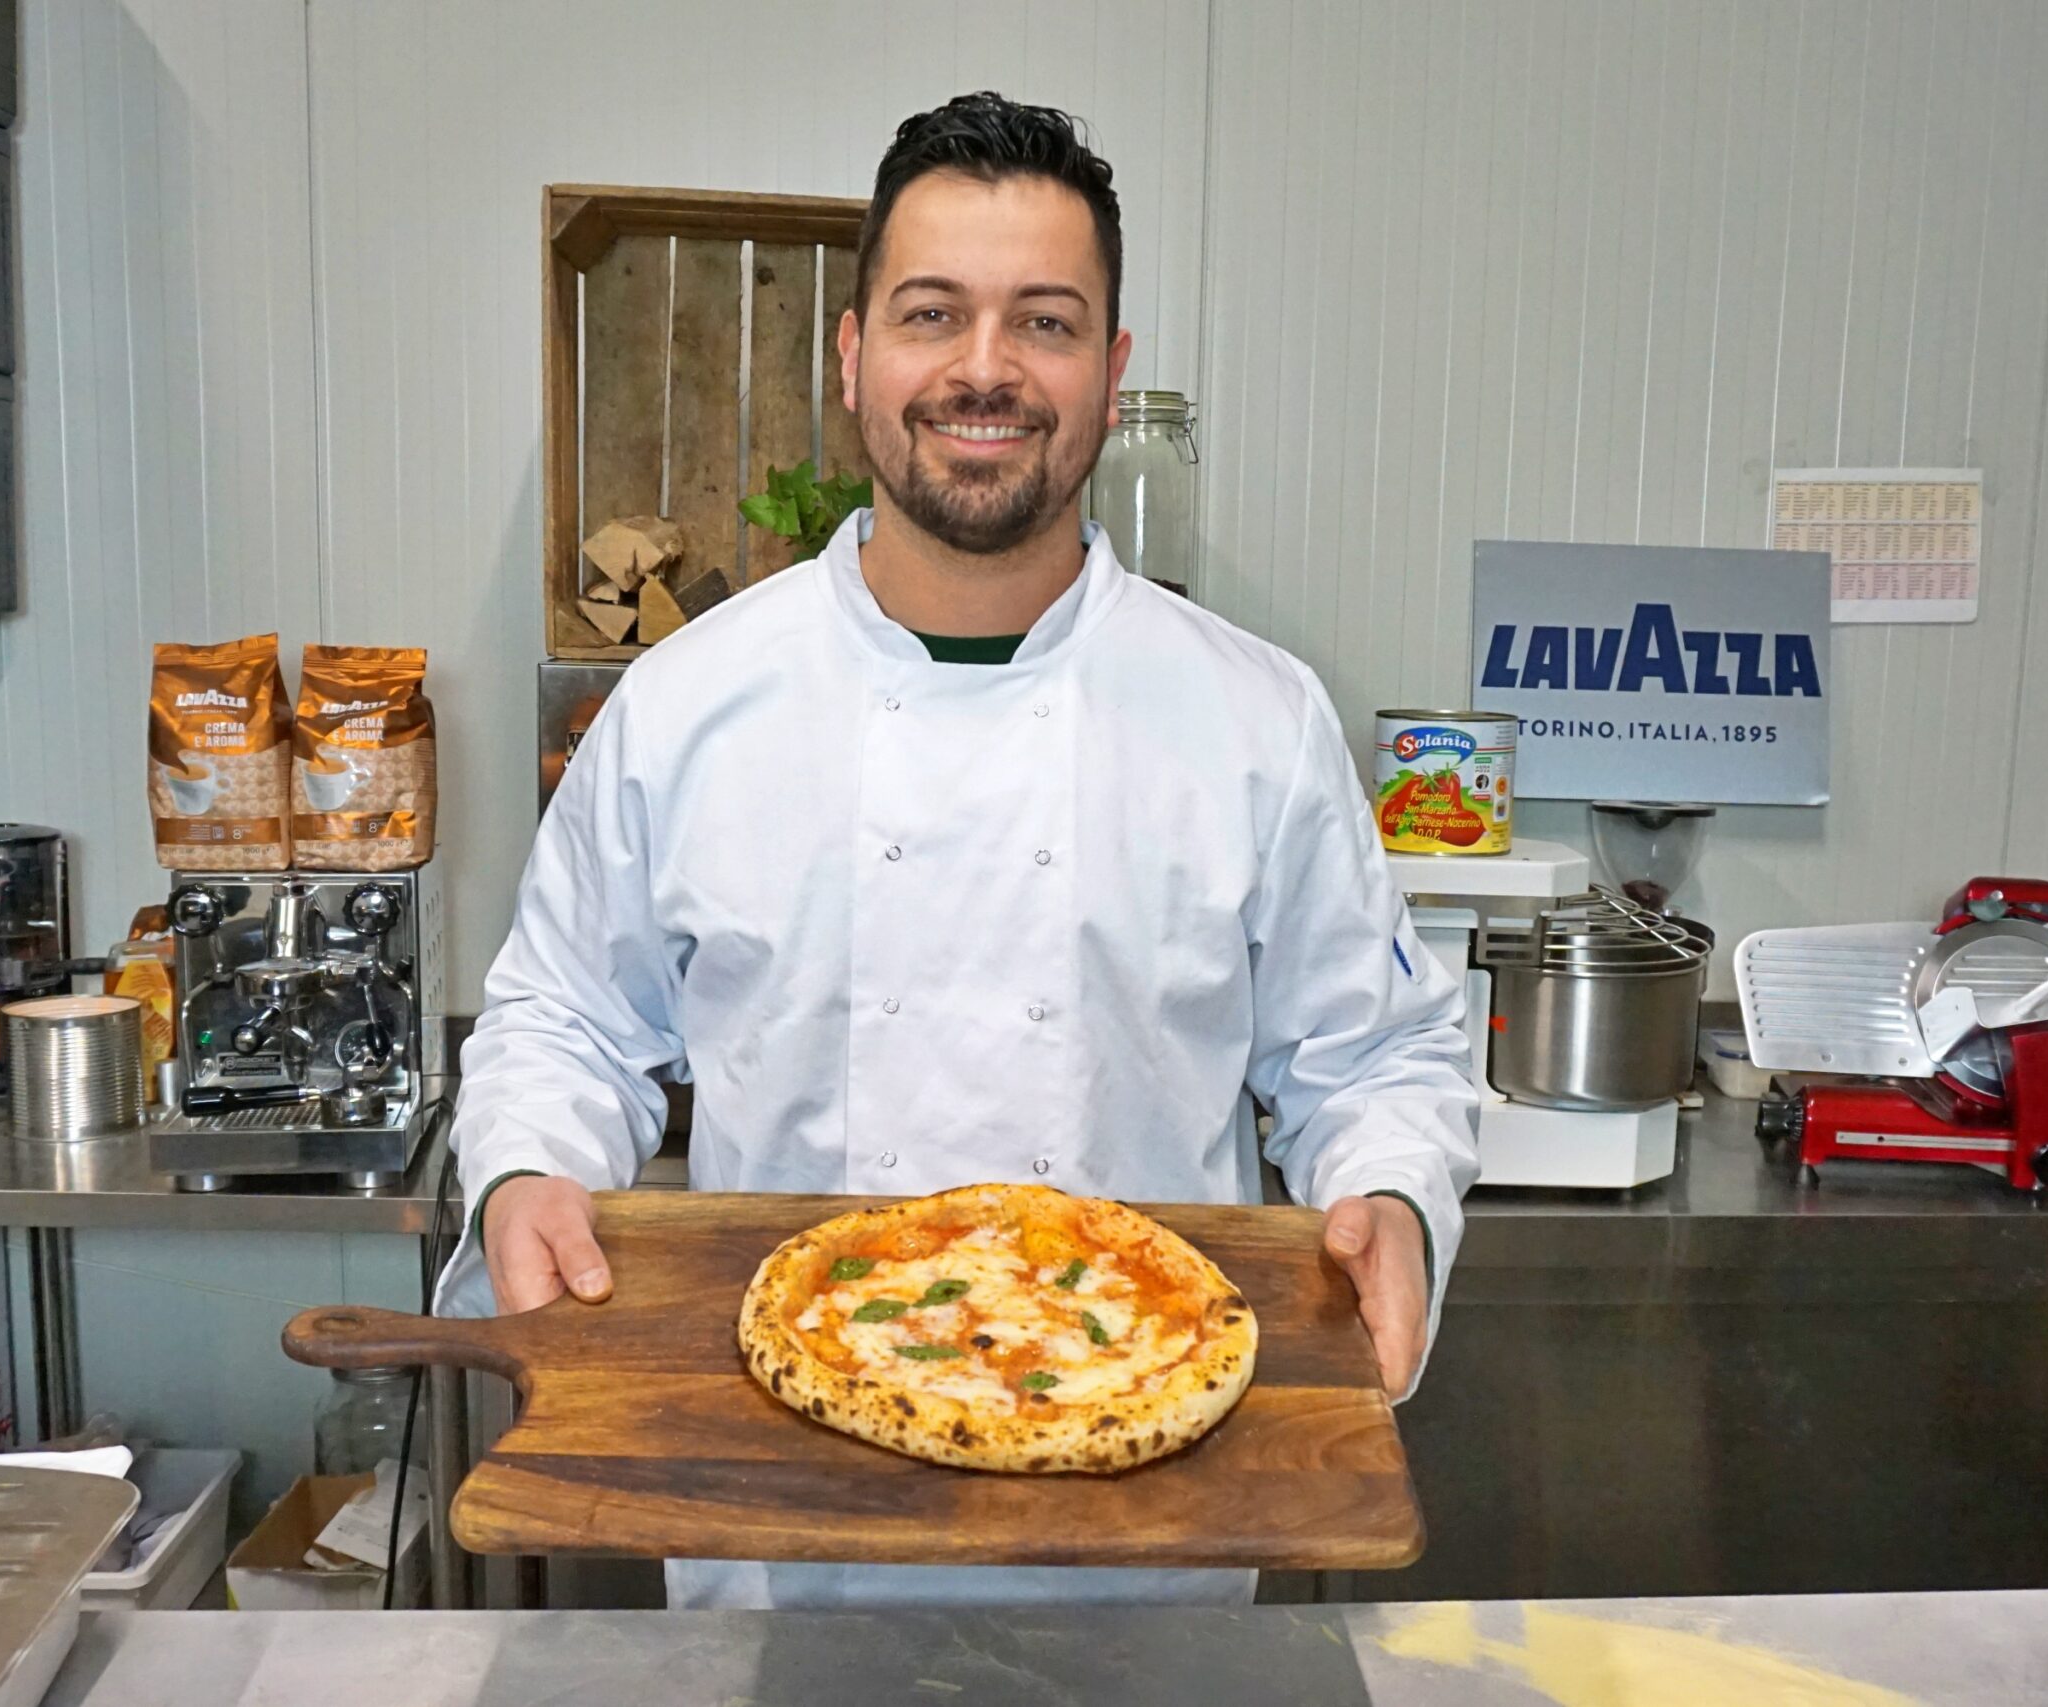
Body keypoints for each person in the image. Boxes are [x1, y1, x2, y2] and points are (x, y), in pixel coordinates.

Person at [439, 90, 1479, 1611]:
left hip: (1153, 1556)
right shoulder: (686, 707)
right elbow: (562, 1023)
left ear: (1112, 376)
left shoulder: (1255, 719)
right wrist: (527, 1167)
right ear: (853, 354)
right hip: (776, 1542)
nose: (986, 370)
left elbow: (1374, 1061)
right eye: (935, 314)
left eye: (1045, 323)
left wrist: (1387, 1198)